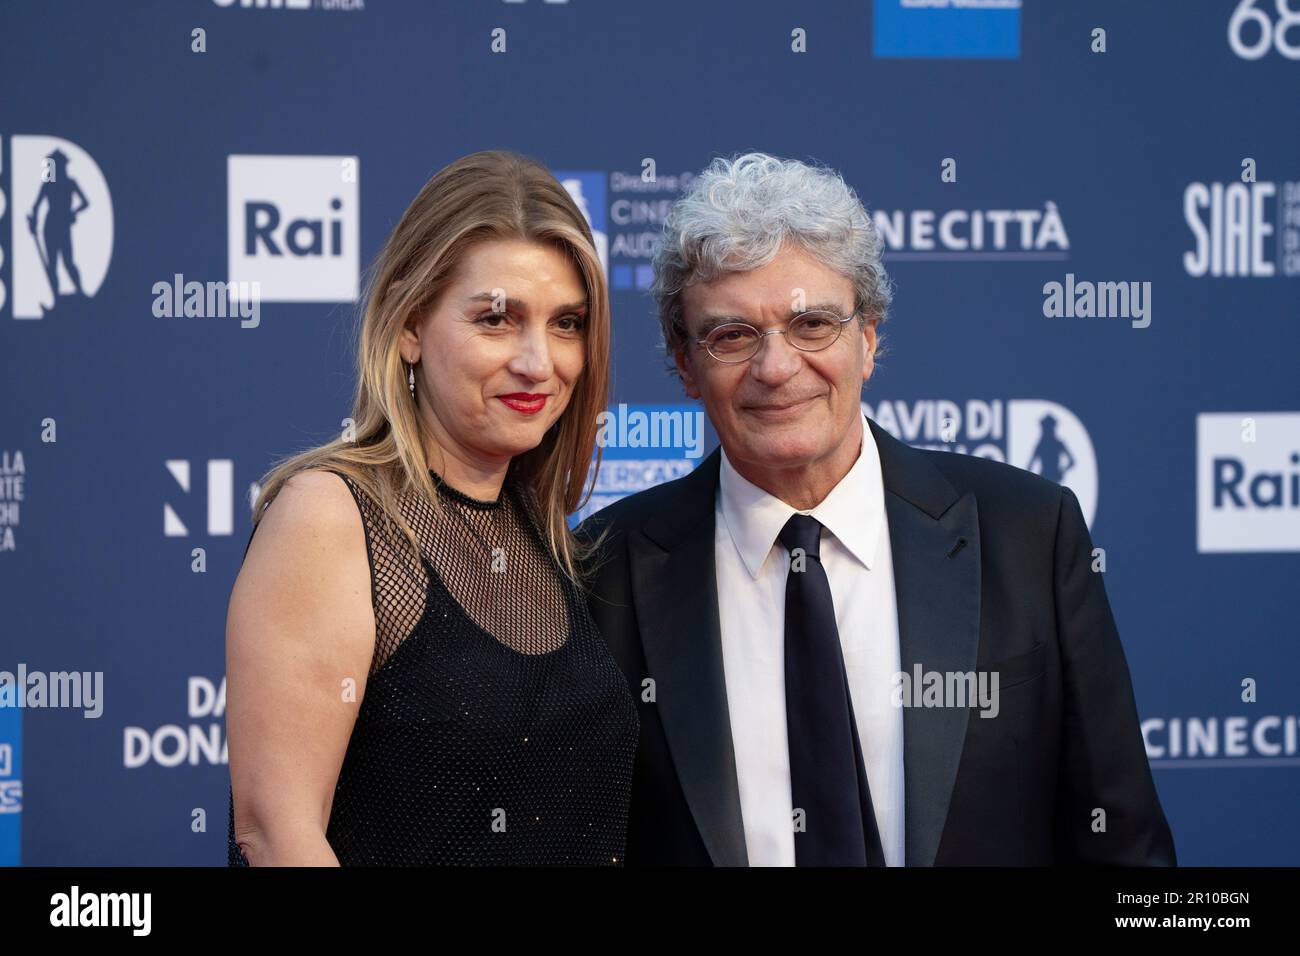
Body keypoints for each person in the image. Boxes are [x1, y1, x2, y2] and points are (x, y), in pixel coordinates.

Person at [577, 152, 1176, 866]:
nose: (777, 368)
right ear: (684, 362)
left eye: (813, 326)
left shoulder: (1027, 534)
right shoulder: (603, 569)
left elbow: (1124, 849)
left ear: (868, 339)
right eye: (733, 335)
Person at [225, 150, 637, 866]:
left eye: (567, 323)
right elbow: (275, 833)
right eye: (498, 320)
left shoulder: (543, 538)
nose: (540, 362)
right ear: (411, 324)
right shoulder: (333, 516)